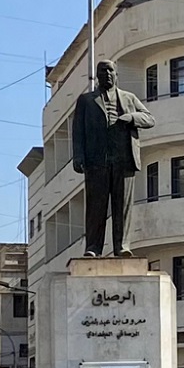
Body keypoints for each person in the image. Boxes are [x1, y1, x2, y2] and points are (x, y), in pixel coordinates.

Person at [70, 58, 157, 257]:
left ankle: (122, 246)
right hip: (96, 161)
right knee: (96, 207)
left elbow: (149, 118)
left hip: (123, 160)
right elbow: (78, 131)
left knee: (122, 207)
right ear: (97, 75)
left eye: (110, 71)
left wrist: (131, 118)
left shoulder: (129, 98)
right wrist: (78, 156)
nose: (106, 74)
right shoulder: (86, 101)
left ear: (116, 75)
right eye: (102, 71)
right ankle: (93, 247)